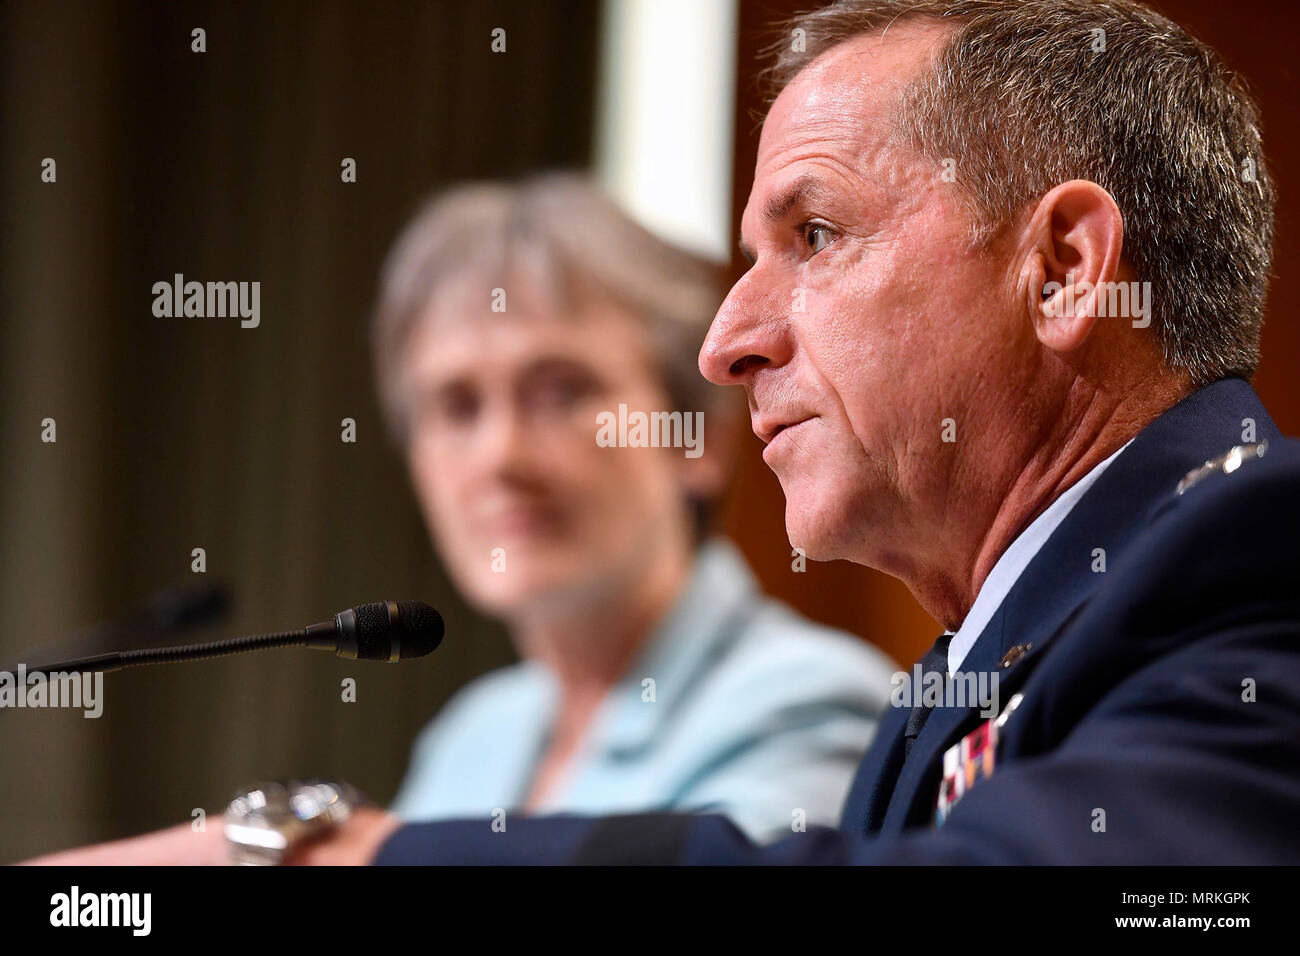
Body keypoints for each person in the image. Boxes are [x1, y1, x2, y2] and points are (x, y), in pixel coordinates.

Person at [22, 0, 1300, 866]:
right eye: (452, 405)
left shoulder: (1258, 556)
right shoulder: (966, 667)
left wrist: (343, 855)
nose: (726, 342)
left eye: (814, 235)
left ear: (1065, 270)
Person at [364, 174, 896, 842]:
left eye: (562, 392)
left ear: (697, 435)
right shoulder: (471, 736)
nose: (501, 456)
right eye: (457, 406)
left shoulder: (812, 704)